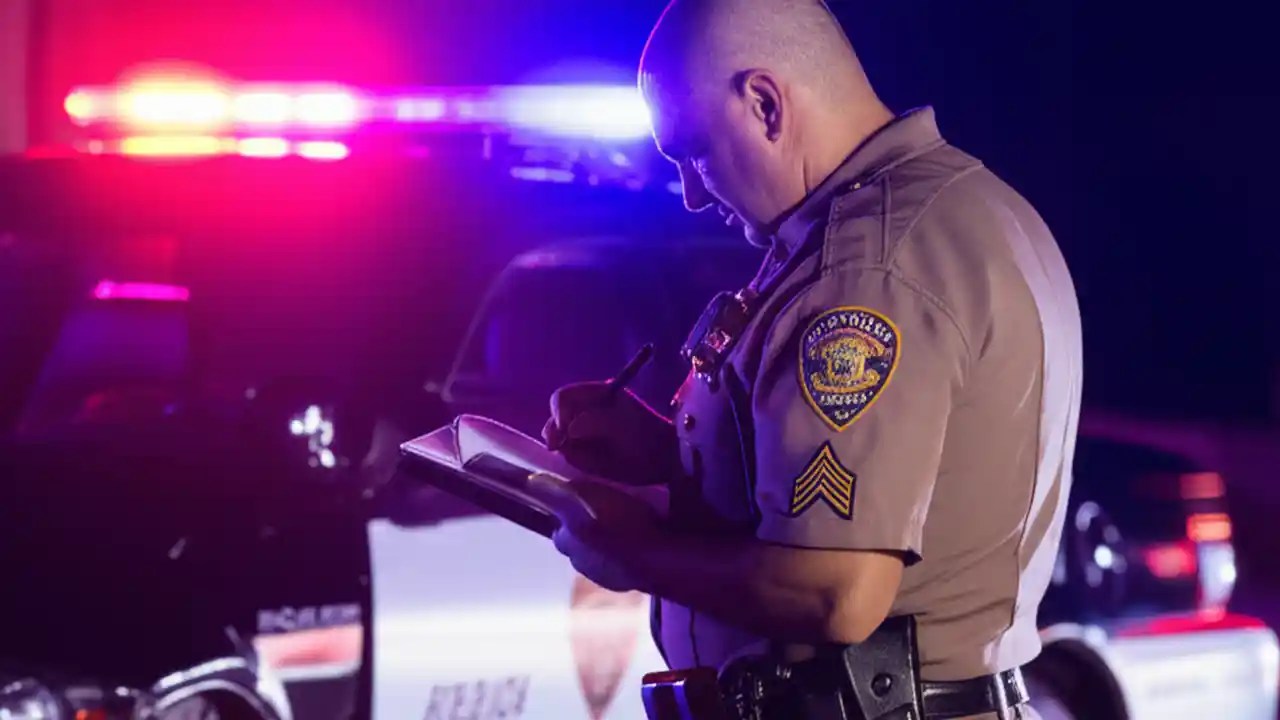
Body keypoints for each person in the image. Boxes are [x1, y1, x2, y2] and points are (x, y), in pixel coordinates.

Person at [538, 0, 1081, 718]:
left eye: (694, 150)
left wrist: (629, 550)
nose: (695, 195)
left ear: (764, 103)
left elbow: (835, 590)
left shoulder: (866, 268)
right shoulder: (961, 207)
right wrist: (667, 457)